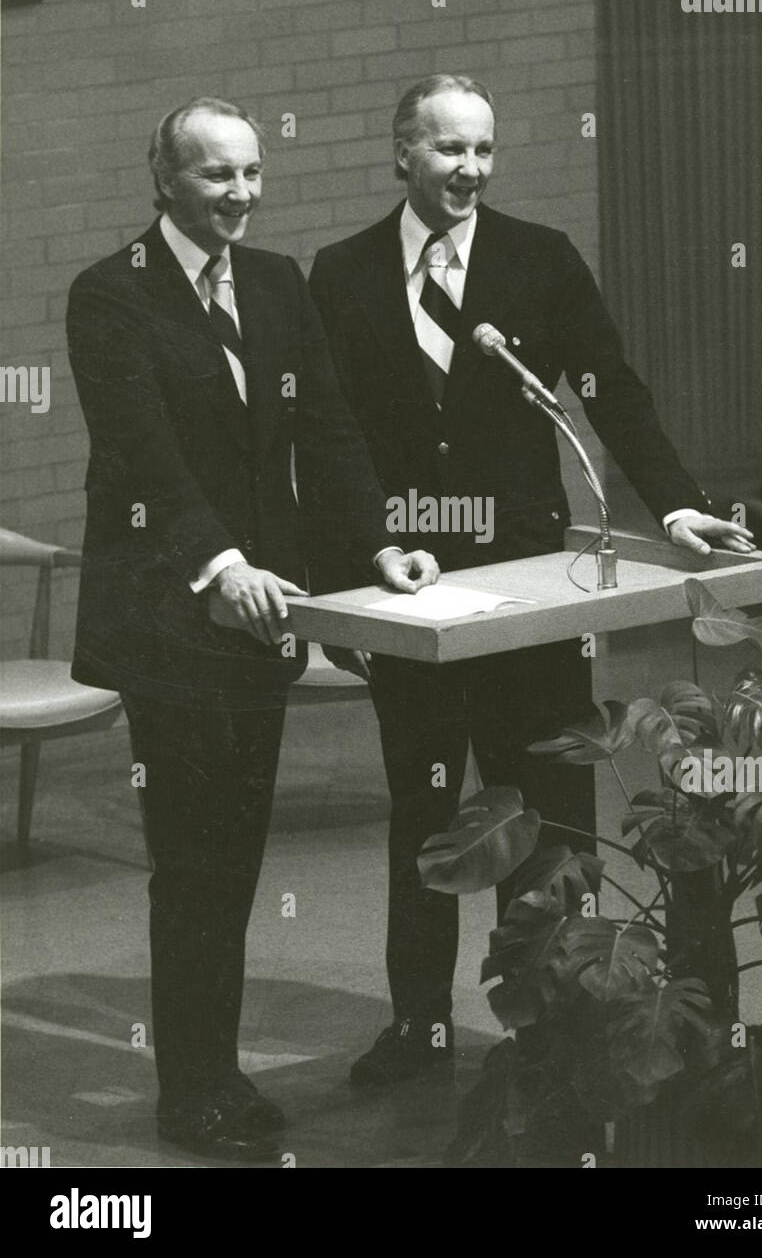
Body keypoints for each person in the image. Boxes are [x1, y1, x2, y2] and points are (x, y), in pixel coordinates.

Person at [308, 74, 754, 1088]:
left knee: (549, 814)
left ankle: (554, 1030)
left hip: (531, 592)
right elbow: (324, 440)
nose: (469, 170)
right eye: (448, 149)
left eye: (484, 151)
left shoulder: (538, 260)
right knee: (426, 821)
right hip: (407, 593)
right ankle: (418, 1027)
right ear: (400, 153)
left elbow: (611, 391)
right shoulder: (336, 275)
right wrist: (346, 579)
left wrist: (673, 502)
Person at [66, 96, 437, 1159]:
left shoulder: (275, 282)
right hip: (171, 620)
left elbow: (325, 428)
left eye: (251, 172)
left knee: (233, 858)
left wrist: (374, 546)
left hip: (259, 621)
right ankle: (189, 1094)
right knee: (192, 864)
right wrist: (216, 563)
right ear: (165, 180)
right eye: (217, 175)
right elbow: (144, 453)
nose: (241, 193)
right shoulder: (111, 296)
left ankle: (218, 1070)